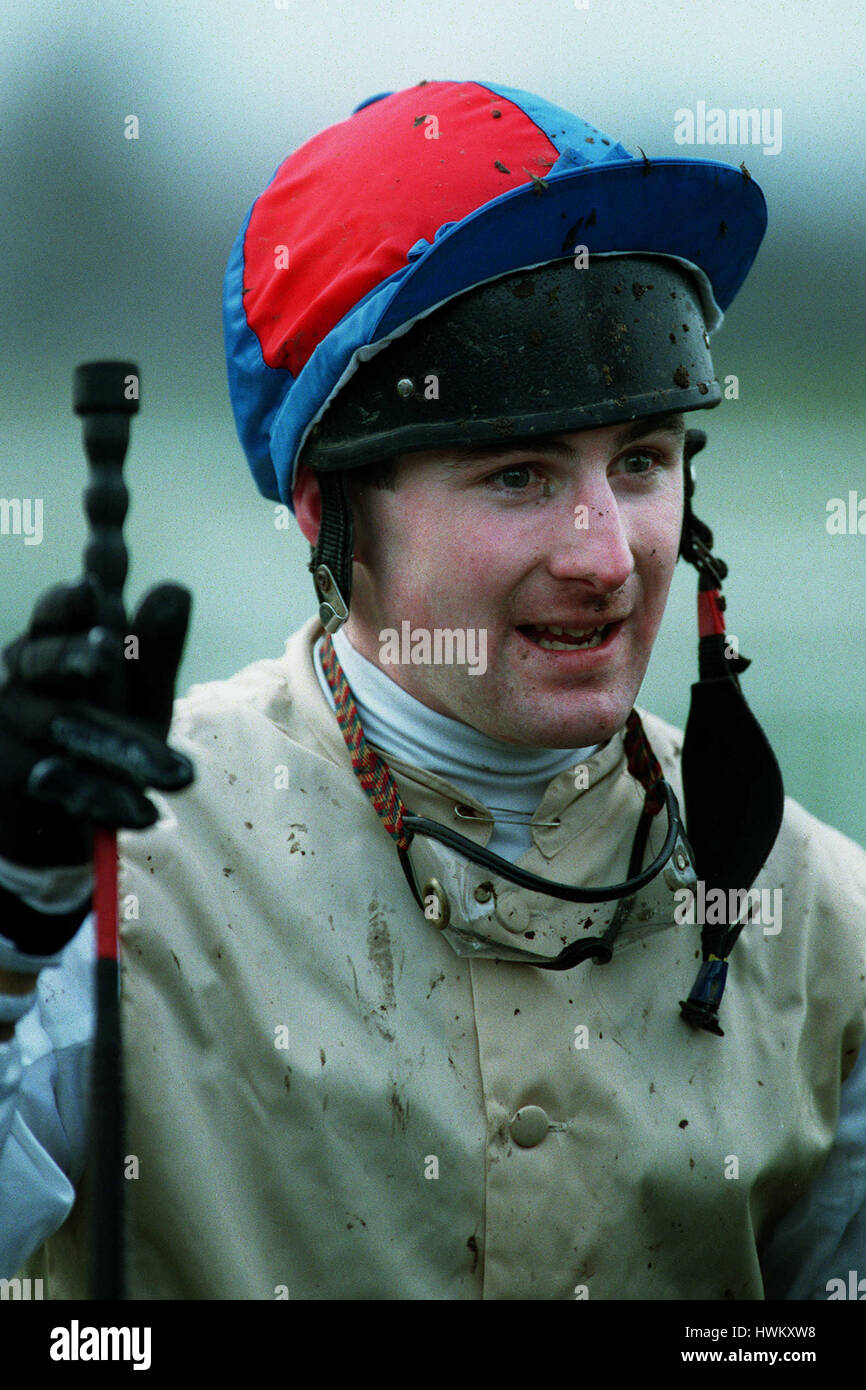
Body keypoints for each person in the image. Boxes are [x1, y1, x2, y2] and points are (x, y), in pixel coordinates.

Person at [1, 79, 864, 1301]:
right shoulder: (112, 874)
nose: (604, 555)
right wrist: (9, 923)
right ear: (326, 511)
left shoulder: (819, 914)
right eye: (516, 475)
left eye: (638, 462)